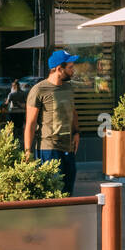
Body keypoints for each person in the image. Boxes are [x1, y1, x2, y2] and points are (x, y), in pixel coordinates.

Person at [25, 49, 82, 197]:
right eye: (70, 67)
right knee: (53, 192)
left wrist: (76, 132)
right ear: (59, 69)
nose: (73, 70)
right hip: (48, 148)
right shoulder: (39, 90)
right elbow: (30, 123)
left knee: (68, 191)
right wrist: (27, 152)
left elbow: (73, 111)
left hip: (68, 146)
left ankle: (66, 219)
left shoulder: (68, 87)